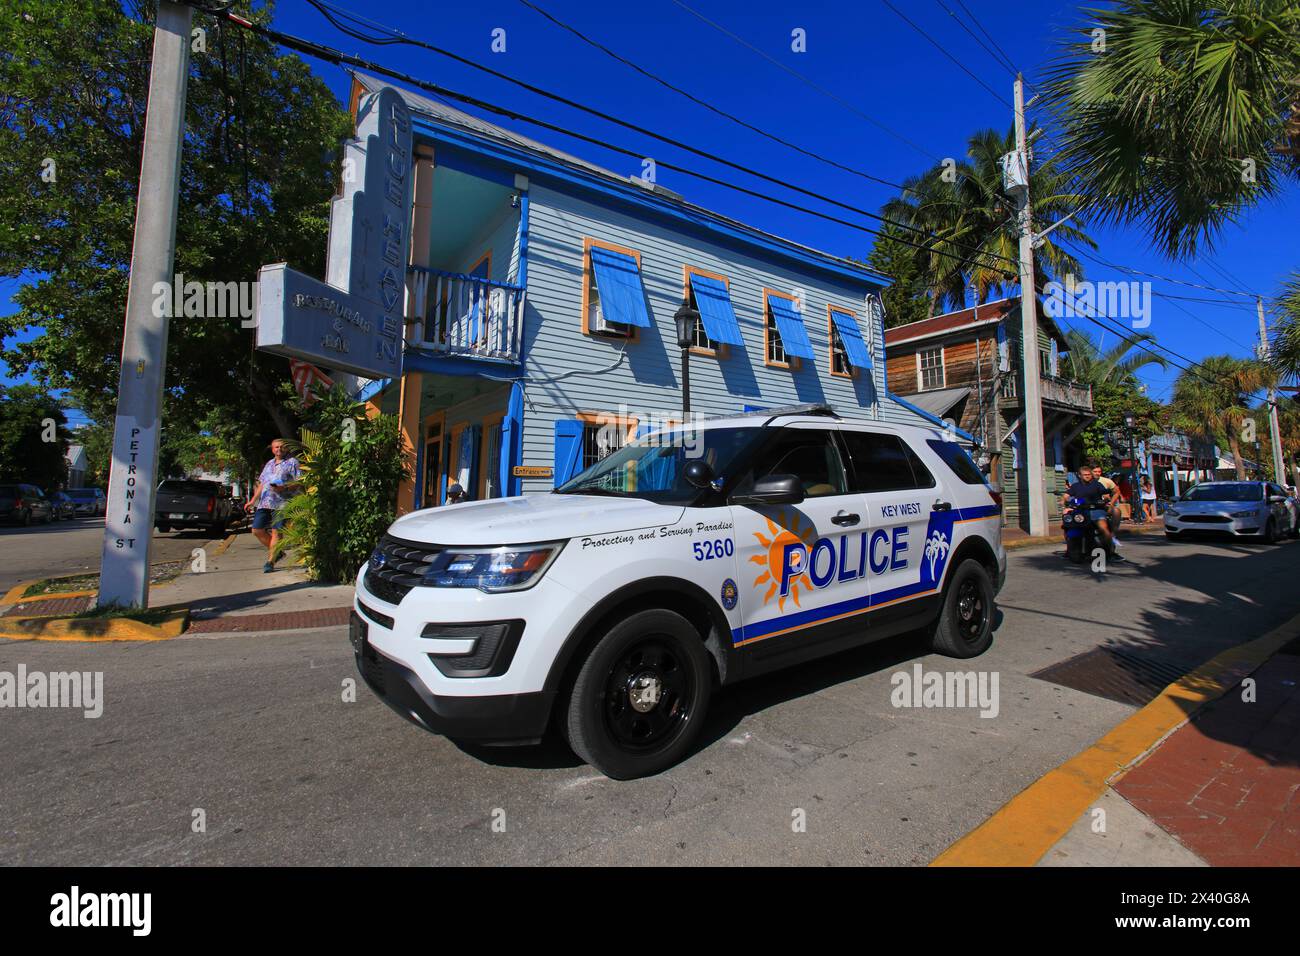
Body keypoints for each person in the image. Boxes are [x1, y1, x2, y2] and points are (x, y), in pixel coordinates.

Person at [245, 438, 302, 573]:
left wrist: (285, 488)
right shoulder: (269, 464)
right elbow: (262, 483)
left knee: (277, 532)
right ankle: (278, 552)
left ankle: (270, 562)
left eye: (281, 447)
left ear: (286, 448)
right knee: (256, 530)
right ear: (272, 449)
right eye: (276, 447)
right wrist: (253, 500)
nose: (279, 450)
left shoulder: (292, 462)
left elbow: (300, 482)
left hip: (282, 503)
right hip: (265, 502)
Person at [1062, 464, 1122, 561]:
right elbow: (1067, 496)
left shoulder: (1097, 484)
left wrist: (1106, 499)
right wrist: (1067, 502)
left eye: (1089, 474)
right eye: (1085, 474)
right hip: (1080, 511)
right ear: (1080, 475)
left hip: (1096, 509)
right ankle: (1069, 550)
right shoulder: (1075, 486)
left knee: (1103, 528)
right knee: (1067, 525)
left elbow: (1106, 494)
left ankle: (1110, 551)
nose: (1087, 476)